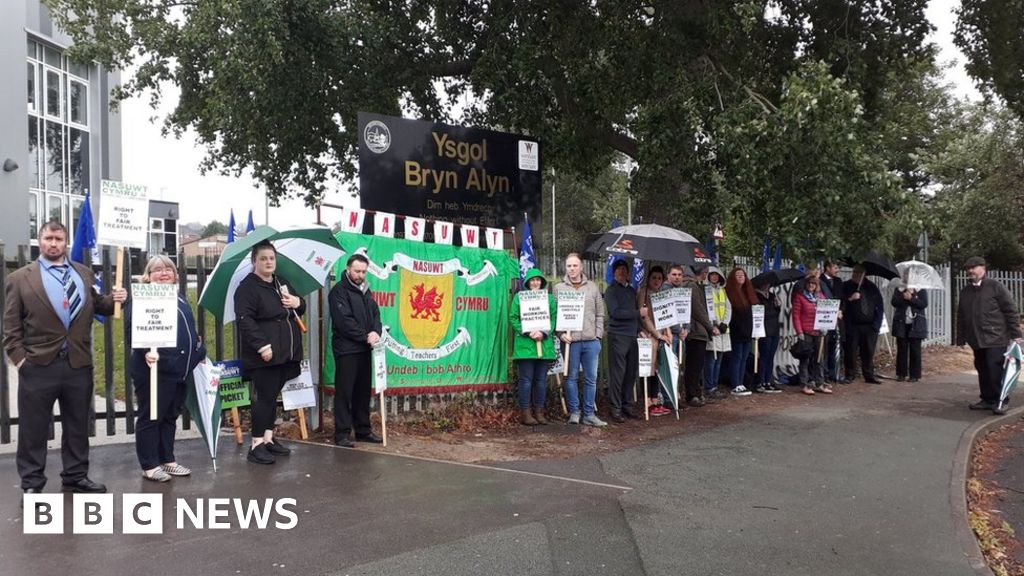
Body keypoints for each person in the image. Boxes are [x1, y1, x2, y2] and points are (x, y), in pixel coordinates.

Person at [3, 220, 126, 494]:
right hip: (37, 366)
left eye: (59, 239)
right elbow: (10, 328)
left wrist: (117, 298)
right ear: (40, 240)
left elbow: (99, 306)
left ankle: (75, 476)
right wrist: (22, 360)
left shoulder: (83, 274)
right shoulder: (20, 278)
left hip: (77, 365)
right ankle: (32, 484)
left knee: (77, 426)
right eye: (49, 238)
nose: (54, 244)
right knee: (33, 430)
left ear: (66, 242)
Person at [126, 256, 207, 482]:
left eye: (168, 270)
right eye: (158, 270)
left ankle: (167, 460)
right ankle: (150, 465)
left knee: (170, 415)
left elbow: (189, 330)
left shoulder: (180, 298)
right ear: (148, 276)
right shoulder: (143, 299)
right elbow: (133, 331)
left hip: (179, 371)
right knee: (151, 416)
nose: (164, 273)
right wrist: (145, 352)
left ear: (175, 275)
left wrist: (198, 351)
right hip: (154, 370)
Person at [235, 240, 306, 463]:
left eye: (271, 258)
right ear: (254, 261)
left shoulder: (281, 283)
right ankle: (256, 445)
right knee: (264, 398)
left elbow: (300, 308)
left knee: (273, 397)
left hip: (286, 352)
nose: (268, 262)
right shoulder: (247, 288)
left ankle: (268, 438)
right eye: (263, 258)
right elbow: (245, 321)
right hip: (265, 353)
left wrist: (296, 301)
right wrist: (262, 346)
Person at [329, 253, 384, 445]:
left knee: (362, 391)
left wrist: (376, 332)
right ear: (348, 269)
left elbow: (375, 313)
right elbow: (344, 321)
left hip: (365, 348)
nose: (361, 275)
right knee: (345, 392)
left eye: (364, 272)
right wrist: (364, 335)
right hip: (347, 349)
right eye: (357, 271)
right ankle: (342, 433)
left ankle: (363, 430)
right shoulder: (338, 291)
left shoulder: (365, 290)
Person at [956, 257, 1022, 414]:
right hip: (976, 339)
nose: (970, 271)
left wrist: (1016, 334)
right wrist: (960, 337)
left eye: (974, 267)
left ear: (983, 269)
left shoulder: (995, 287)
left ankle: (1001, 400)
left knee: (994, 369)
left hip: (995, 337)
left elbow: (1010, 311)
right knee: (982, 368)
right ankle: (987, 399)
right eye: (968, 269)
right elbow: (961, 316)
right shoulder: (965, 291)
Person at [553, 253, 607, 427]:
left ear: (581, 267)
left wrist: (598, 335)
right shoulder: (559, 288)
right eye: (569, 266)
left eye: (575, 266)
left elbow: (600, 313)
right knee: (571, 378)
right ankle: (575, 412)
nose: (572, 269)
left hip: (591, 341)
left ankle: (589, 414)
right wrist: (560, 333)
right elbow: (554, 315)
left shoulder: (592, 287)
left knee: (591, 378)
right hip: (571, 342)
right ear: (565, 268)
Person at [510, 268, 557, 426]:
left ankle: (539, 411)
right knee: (526, 381)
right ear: (528, 283)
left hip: (543, 346)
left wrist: (543, 333)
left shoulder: (549, 299)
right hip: (525, 346)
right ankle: (526, 413)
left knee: (540, 381)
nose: (535, 283)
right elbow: (513, 317)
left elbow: (553, 318)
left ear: (542, 282)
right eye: (532, 280)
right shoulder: (519, 298)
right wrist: (528, 331)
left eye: (538, 280)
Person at [604, 259, 642, 422]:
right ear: (614, 273)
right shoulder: (611, 291)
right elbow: (616, 313)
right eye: (618, 270)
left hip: (632, 335)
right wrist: (638, 313)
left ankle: (628, 405)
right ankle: (615, 408)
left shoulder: (632, 291)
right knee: (618, 374)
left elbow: (635, 313)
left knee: (630, 373)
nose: (621, 273)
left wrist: (640, 329)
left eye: (624, 270)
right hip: (618, 335)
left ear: (628, 273)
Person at [637, 266, 672, 415]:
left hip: (661, 335)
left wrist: (668, 332)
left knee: (657, 368)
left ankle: (655, 400)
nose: (656, 281)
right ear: (649, 278)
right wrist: (657, 334)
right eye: (654, 278)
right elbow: (645, 318)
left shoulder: (660, 294)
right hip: (648, 335)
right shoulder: (644, 293)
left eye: (659, 278)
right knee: (648, 369)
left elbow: (665, 315)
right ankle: (647, 401)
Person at [841, 265, 884, 384]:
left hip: (869, 326)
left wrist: (876, 325)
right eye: (854, 272)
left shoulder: (872, 287)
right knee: (850, 351)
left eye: (859, 272)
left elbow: (879, 307)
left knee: (868, 351)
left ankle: (869, 374)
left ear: (864, 275)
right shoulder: (846, 286)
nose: (855, 274)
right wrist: (851, 298)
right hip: (852, 325)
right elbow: (841, 303)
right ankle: (850, 374)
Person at [792, 274, 832, 395]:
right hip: (806, 332)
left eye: (813, 284)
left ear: (817, 286)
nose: (811, 285)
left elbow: (827, 313)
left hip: (819, 332)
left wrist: (825, 327)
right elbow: (796, 316)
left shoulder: (821, 298)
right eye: (809, 283)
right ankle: (805, 383)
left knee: (819, 358)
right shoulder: (800, 297)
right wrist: (799, 332)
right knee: (805, 359)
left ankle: (819, 382)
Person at [682, 266, 714, 407]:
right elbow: (698, 309)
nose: (706, 275)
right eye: (705, 273)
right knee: (694, 365)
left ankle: (695, 392)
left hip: (697, 329)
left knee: (695, 365)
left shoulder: (694, 286)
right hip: (696, 330)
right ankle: (692, 394)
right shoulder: (692, 286)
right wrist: (709, 326)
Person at [724, 267, 756, 396]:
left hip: (748, 331)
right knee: (737, 357)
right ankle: (735, 383)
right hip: (737, 331)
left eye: (743, 275)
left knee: (744, 357)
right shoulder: (730, 293)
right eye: (738, 275)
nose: (741, 277)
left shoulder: (748, 292)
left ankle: (741, 382)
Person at [704, 267, 733, 397]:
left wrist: (724, 324)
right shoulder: (706, 290)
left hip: (722, 330)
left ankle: (715, 385)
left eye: (716, 275)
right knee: (711, 360)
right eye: (712, 275)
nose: (714, 277)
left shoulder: (722, 290)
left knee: (719, 360)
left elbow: (728, 308)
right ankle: (709, 386)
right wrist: (713, 325)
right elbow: (706, 309)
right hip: (712, 329)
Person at [891, 283, 928, 383]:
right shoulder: (899, 289)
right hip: (901, 323)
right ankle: (901, 374)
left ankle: (914, 375)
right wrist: (904, 296)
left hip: (916, 323)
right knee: (902, 348)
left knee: (915, 349)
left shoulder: (920, 289)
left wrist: (911, 298)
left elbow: (923, 304)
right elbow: (894, 302)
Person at [752, 277, 784, 393]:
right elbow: (760, 312)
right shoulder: (756, 296)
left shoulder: (771, 296)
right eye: (764, 284)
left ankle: (768, 380)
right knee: (764, 356)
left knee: (771, 356)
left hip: (774, 328)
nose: (766, 286)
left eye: (768, 284)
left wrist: (778, 306)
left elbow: (775, 312)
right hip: (763, 328)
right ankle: (760, 381)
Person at [819, 261, 845, 383]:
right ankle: (823, 373)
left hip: (837, 318)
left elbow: (842, 298)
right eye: (835, 267)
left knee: (835, 344)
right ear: (827, 268)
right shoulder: (820, 280)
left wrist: (841, 310)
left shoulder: (839, 282)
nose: (837, 270)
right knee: (825, 345)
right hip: (825, 317)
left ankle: (833, 372)